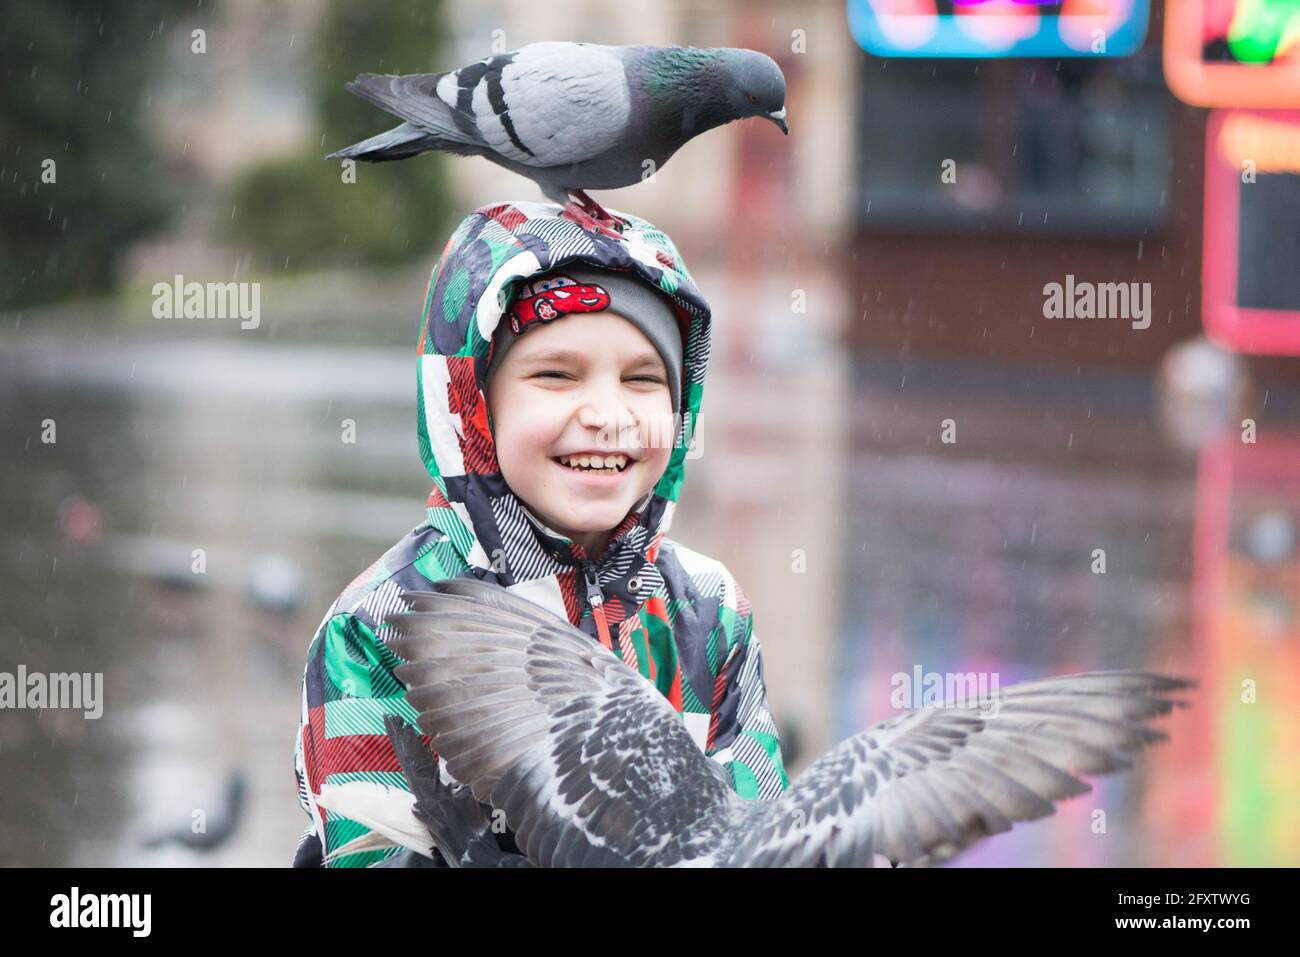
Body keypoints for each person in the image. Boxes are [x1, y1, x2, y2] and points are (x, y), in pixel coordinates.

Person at [291, 200, 788, 867]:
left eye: (643, 379)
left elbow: (760, 838)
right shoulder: (377, 624)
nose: (609, 415)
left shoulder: (710, 610)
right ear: (472, 400)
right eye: (556, 374)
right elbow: (363, 850)